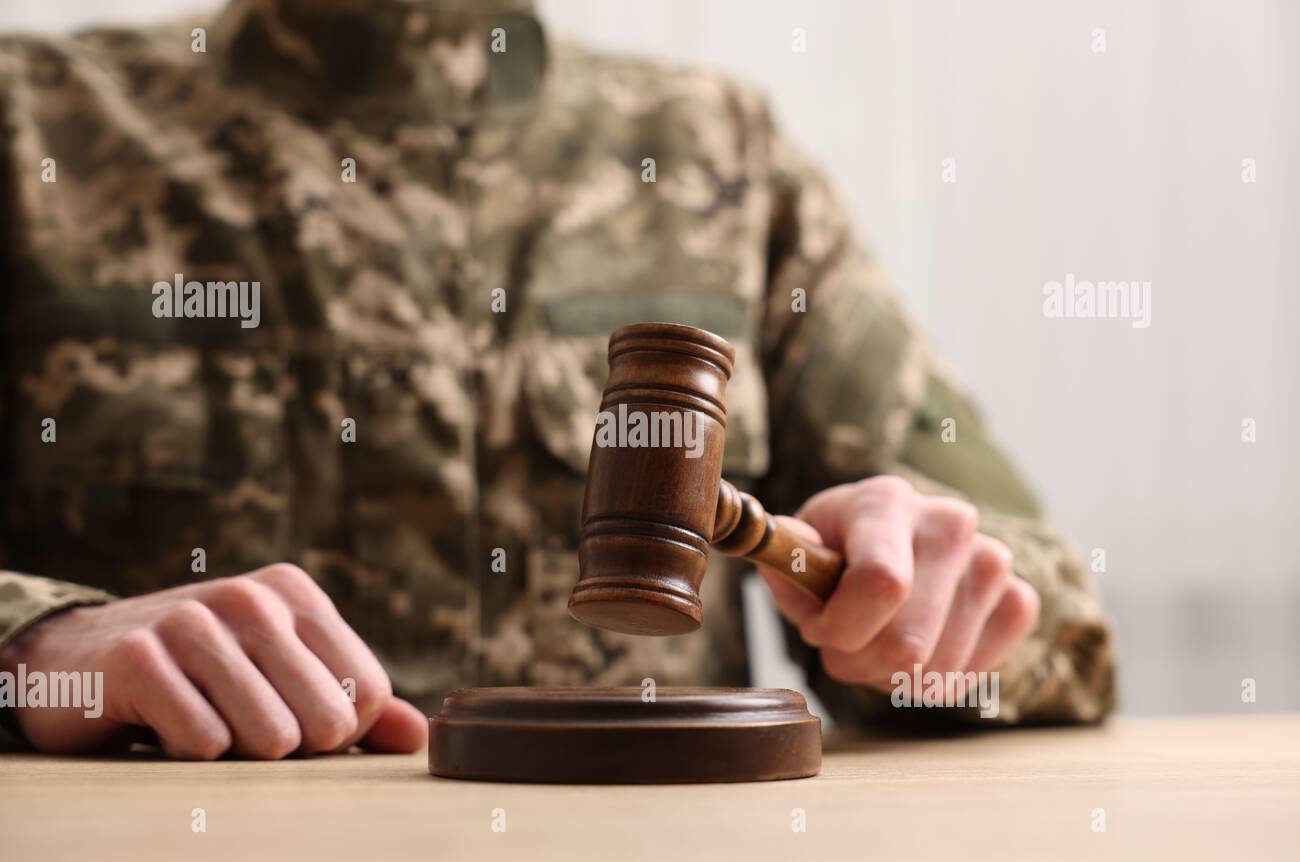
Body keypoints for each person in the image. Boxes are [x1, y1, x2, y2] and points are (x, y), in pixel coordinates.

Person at [0, 0, 1114, 759]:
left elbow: (1054, 618)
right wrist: (37, 647)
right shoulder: (32, 128)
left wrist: (934, 626)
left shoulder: (717, 154)